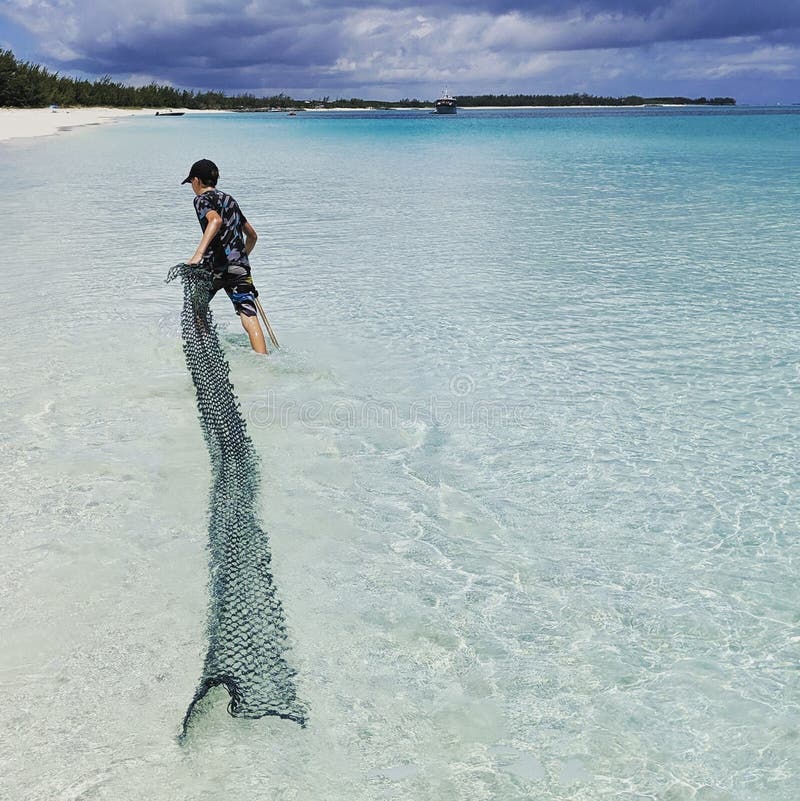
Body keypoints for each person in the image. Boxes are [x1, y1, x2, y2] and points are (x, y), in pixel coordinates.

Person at [182, 158, 267, 354]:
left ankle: (206, 352)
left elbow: (215, 221)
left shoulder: (201, 199)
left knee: (196, 307)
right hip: (239, 266)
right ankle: (263, 357)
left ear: (196, 181)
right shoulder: (230, 200)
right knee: (248, 312)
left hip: (215, 267)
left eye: (191, 183)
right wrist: (241, 258)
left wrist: (198, 254)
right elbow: (252, 236)